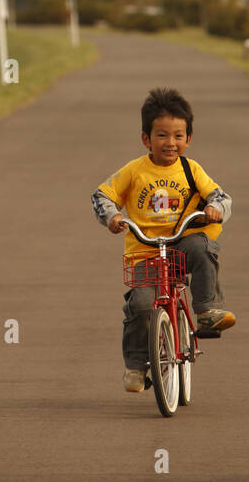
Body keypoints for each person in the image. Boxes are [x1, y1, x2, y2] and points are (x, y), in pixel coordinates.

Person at [92, 86, 235, 393]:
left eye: (178, 136)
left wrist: (214, 208)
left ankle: (207, 310)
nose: (170, 143)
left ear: (188, 139)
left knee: (201, 246)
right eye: (161, 135)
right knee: (141, 305)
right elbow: (101, 195)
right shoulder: (134, 171)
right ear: (146, 139)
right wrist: (112, 217)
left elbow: (221, 196)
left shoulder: (191, 169)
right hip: (145, 250)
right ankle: (135, 365)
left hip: (181, 243)